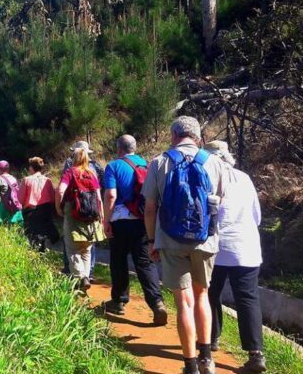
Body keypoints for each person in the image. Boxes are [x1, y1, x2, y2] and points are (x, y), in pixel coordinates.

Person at [142, 116, 225, 374]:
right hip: (205, 239)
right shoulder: (214, 162)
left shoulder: (159, 162)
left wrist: (152, 240)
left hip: (170, 238)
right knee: (203, 296)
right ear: (198, 137)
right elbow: (218, 204)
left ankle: (189, 365)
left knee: (183, 302)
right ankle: (207, 359)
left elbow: (150, 208)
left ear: (174, 135)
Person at [205, 141, 267, 373]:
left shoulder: (208, 179)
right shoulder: (244, 178)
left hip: (216, 248)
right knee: (248, 299)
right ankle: (256, 354)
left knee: (210, 294)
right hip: (247, 247)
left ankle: (211, 339)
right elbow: (257, 216)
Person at [102, 135, 168, 325]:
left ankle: (118, 301)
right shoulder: (147, 165)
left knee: (119, 260)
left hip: (121, 220)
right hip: (144, 219)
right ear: (134, 147)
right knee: (144, 263)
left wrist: (106, 220)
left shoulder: (113, 166)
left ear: (118, 148)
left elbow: (111, 195)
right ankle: (157, 303)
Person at [57, 147, 105, 294]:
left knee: (72, 249)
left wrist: (59, 207)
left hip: (73, 214)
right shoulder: (92, 173)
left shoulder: (70, 172)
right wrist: (101, 216)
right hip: (91, 215)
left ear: (74, 158)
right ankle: (85, 279)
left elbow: (60, 190)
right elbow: (98, 197)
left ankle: (81, 276)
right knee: (86, 249)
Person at [18, 157, 59, 251]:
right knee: (43, 232)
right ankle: (43, 249)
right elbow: (52, 198)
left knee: (32, 235)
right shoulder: (47, 180)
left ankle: (36, 255)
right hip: (45, 210)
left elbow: (20, 199)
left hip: (31, 211)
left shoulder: (26, 180)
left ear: (31, 168)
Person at [0, 160, 23, 225]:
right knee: (11, 226)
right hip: (14, 205)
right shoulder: (13, 178)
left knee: (0, 226)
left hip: (2, 206)